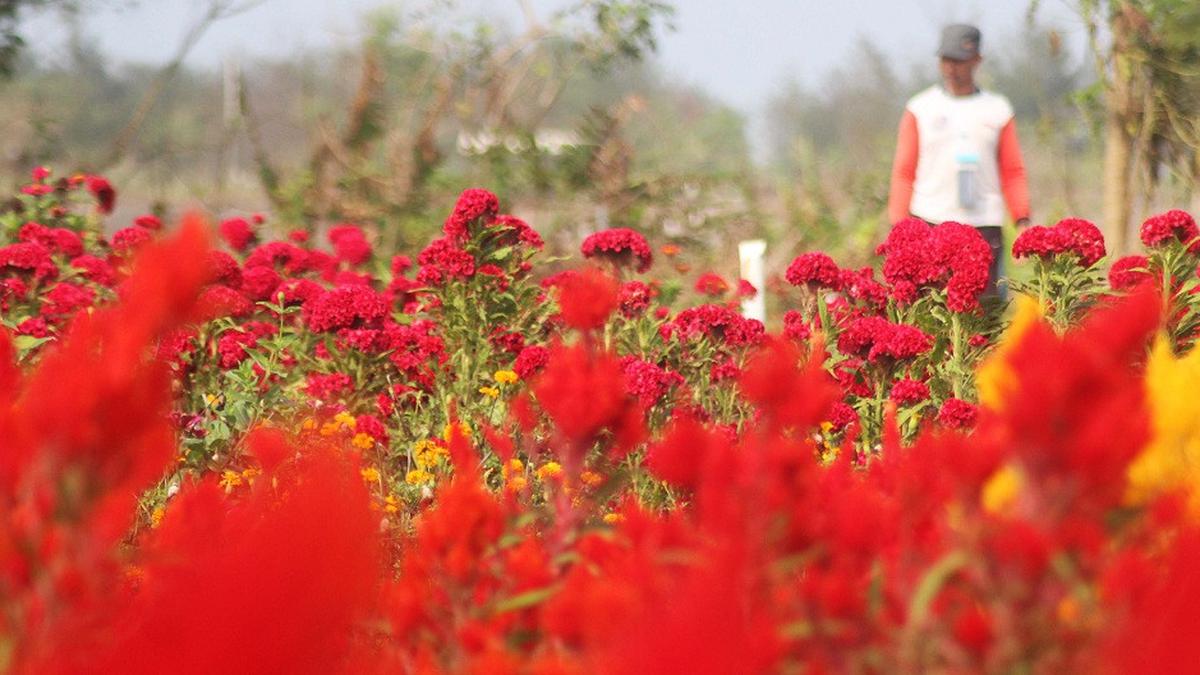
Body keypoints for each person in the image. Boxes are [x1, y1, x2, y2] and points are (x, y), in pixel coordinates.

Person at [887, 24, 1030, 296]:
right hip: (929, 221)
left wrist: (1022, 219)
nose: (952, 68)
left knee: (984, 310)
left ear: (977, 60)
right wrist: (898, 226)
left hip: (983, 226)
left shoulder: (998, 109)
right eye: (946, 59)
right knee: (928, 309)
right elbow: (904, 172)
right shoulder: (920, 108)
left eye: (959, 60)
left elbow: (1012, 171)